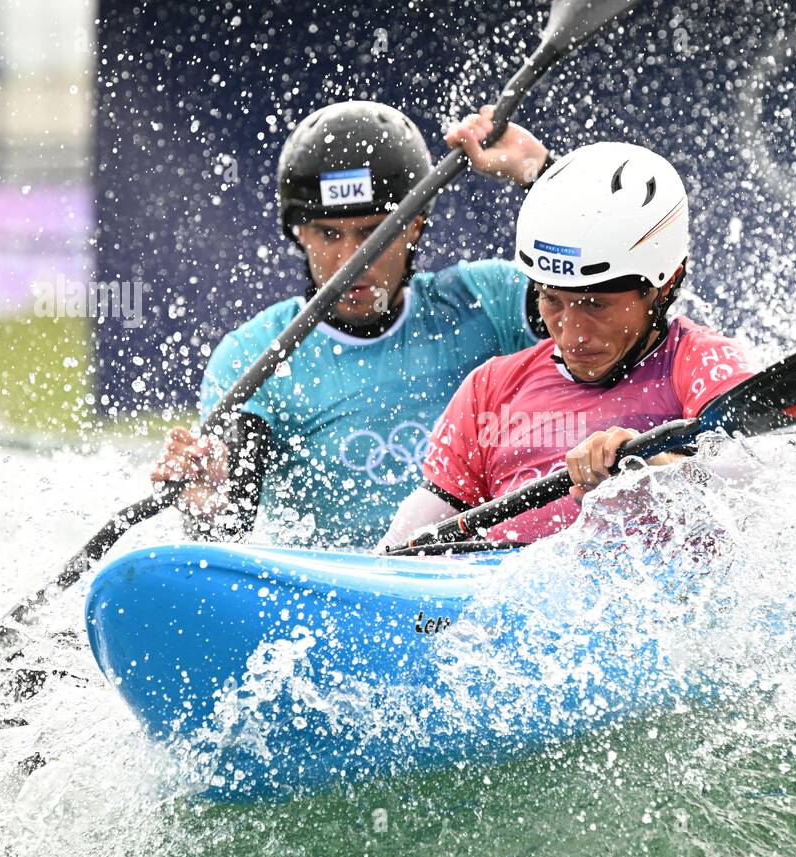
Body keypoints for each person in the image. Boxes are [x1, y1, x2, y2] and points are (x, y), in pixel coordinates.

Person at [150, 100, 554, 546]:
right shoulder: (251, 356)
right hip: (332, 593)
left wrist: (540, 173)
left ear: (415, 226)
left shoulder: (487, 301)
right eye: (328, 234)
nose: (351, 261)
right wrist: (208, 510)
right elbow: (227, 534)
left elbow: (613, 307)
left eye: (373, 232)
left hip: (472, 573)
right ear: (297, 233)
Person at [379, 141, 757, 550]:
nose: (572, 334)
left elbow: (756, 478)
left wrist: (653, 467)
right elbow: (398, 556)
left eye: (596, 304)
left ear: (663, 286)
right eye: (552, 300)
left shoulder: (702, 363)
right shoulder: (489, 388)